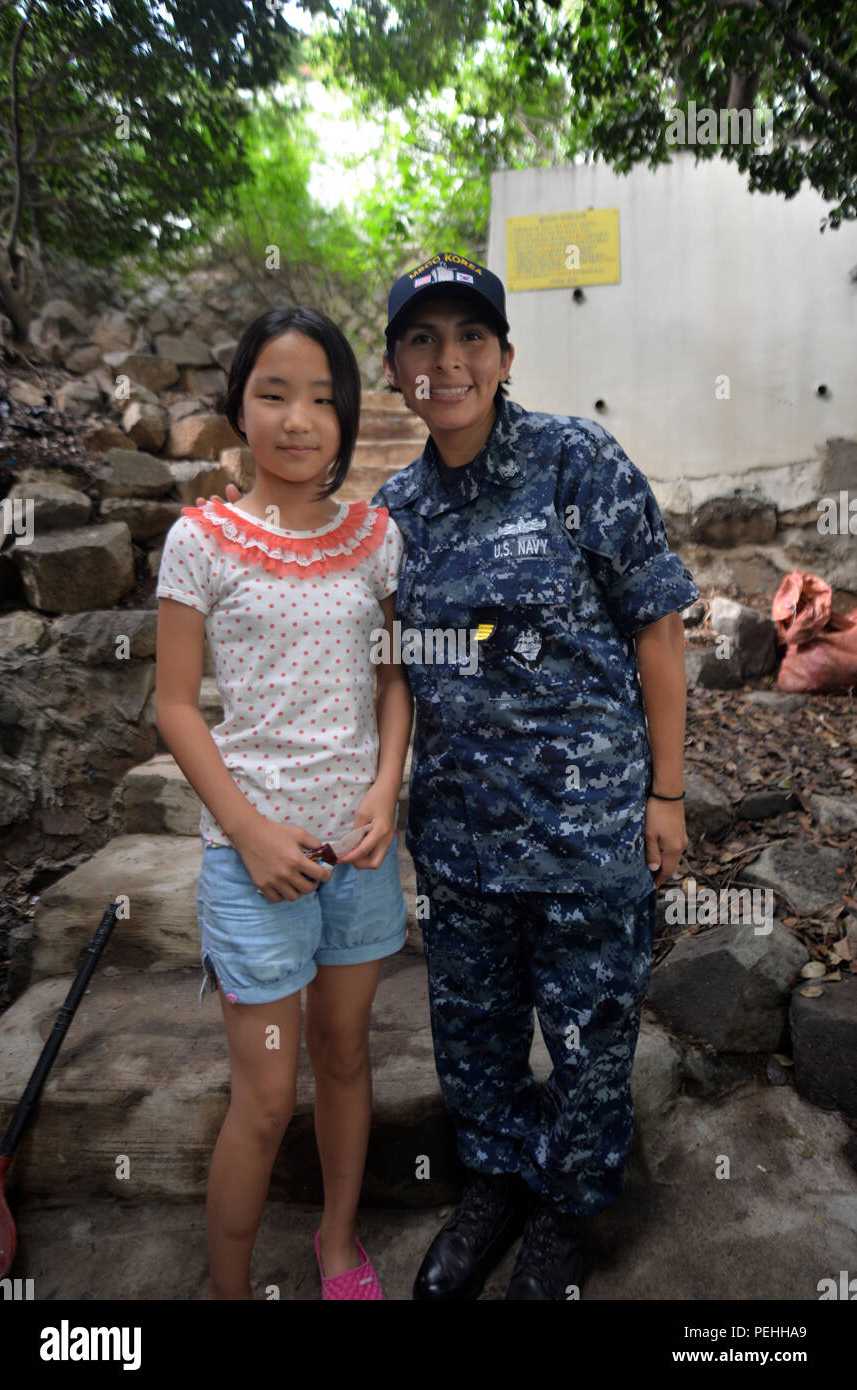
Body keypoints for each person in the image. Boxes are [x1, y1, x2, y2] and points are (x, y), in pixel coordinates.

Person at [367, 252, 702, 1300]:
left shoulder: (577, 464)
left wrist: (668, 793)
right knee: (472, 1041)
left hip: (587, 837)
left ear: (505, 356)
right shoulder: (392, 513)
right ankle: (497, 1186)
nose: (447, 359)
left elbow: (657, 628)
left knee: (594, 1046)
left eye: (470, 337)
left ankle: (566, 1214)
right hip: (462, 841)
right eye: (422, 339)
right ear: (395, 368)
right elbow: (379, 656)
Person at [155, 305, 412, 1301]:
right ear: (239, 409)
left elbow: (396, 678)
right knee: (265, 1097)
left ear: (346, 417)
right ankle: (228, 1290)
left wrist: (387, 787)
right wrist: (250, 831)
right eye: (273, 393)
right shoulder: (200, 539)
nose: (298, 418)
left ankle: (338, 1244)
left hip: (358, 851)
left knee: (344, 1053)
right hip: (254, 861)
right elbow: (176, 705)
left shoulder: (376, 537)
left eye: (321, 398)